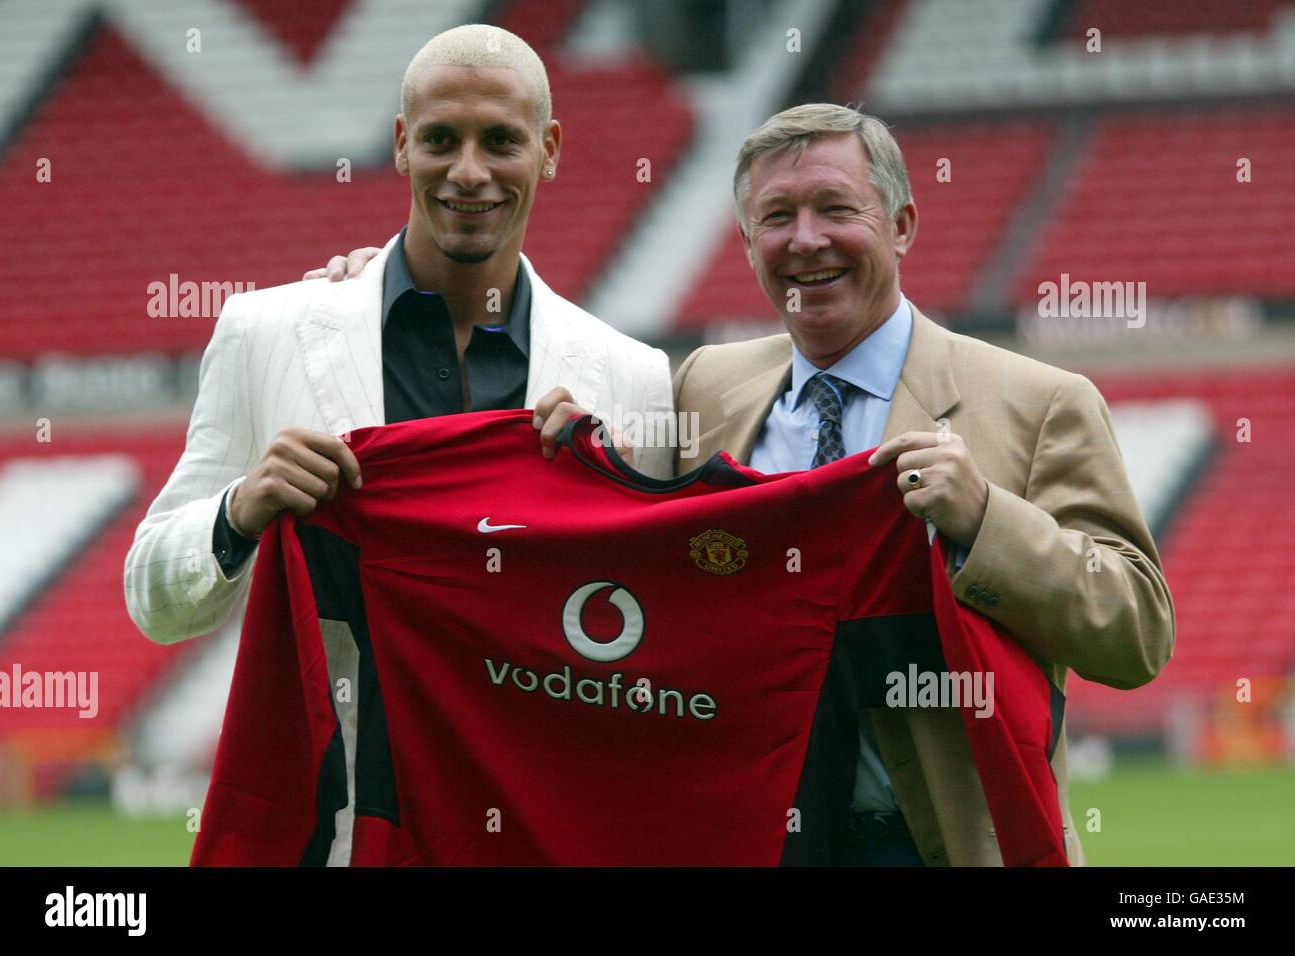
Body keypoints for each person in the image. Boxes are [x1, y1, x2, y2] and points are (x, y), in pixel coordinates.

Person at [314, 104, 1175, 866]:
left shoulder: (1039, 404)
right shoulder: (706, 388)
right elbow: (629, 544)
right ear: (748, 242)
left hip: (932, 845)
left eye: (837, 209)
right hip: (747, 838)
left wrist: (987, 522)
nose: (806, 241)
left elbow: (1137, 632)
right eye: (777, 218)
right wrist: (386, 287)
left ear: (903, 223)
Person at [124, 23, 672, 648]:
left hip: (531, 745)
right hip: (344, 747)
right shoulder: (263, 334)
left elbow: (649, 634)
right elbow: (152, 604)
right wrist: (239, 511)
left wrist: (618, 508)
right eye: (441, 139)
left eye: (500, 141)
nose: (469, 172)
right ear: (402, 143)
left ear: (548, 150)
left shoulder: (633, 376)